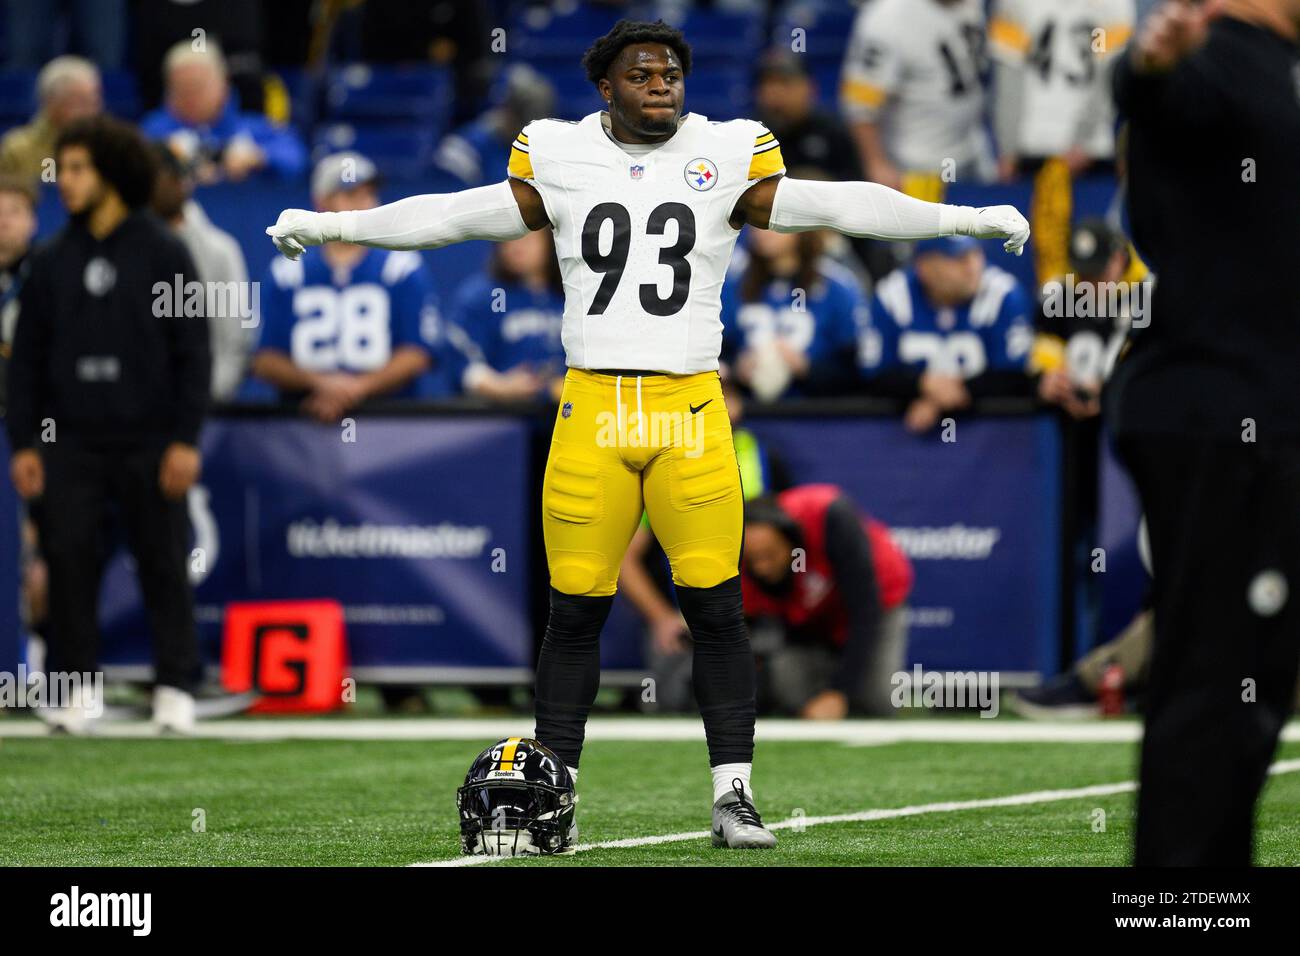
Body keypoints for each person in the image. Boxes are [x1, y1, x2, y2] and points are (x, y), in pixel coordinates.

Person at [266, 18, 1030, 853]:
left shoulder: (729, 149)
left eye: (672, 72)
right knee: (573, 616)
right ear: (605, 86)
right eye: (642, 74)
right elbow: (454, 216)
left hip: (689, 407)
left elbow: (840, 202)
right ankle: (548, 797)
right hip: (591, 406)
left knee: (716, 609)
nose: (662, 84)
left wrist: (961, 217)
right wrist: (336, 227)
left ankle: (733, 796)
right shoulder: (556, 152)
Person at [1106, 0, 1300, 867]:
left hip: (1256, 409)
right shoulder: (1215, 55)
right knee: (1214, 684)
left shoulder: (1273, 68)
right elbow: (1150, 88)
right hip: (1219, 411)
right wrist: (1152, 64)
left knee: (1249, 696)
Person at [5, 116, 211, 734]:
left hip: (150, 439)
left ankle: (175, 687)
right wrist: (24, 441)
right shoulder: (49, 260)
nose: (63, 182)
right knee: (68, 563)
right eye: (61, 170)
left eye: (77, 169)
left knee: (163, 561)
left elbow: (193, 353)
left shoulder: (166, 249)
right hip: (69, 441)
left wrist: (184, 439)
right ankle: (77, 692)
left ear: (112, 174)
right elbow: (27, 364)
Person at [619, 370, 790, 713]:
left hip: (753, 618)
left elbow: (790, 547)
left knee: (777, 692)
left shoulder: (763, 457)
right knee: (670, 702)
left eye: (726, 393)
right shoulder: (660, 462)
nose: (720, 405)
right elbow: (625, 559)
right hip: (685, 620)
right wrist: (661, 617)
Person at [251, 152, 439, 422]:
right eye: (352, 195)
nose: (365, 205)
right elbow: (264, 358)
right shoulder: (287, 272)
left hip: (389, 423)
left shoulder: (401, 267)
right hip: (302, 424)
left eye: (369, 194)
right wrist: (320, 383)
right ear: (321, 203)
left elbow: (418, 353)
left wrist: (357, 387)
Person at [742, 486, 912, 719]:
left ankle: (843, 687)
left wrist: (838, 693)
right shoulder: (739, 560)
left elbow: (865, 612)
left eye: (770, 555)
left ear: (791, 541)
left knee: (878, 701)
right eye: (754, 560)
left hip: (872, 606)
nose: (762, 568)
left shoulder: (829, 515)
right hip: (810, 620)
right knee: (786, 684)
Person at [858, 235, 1035, 432]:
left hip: (991, 436)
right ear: (924, 267)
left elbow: (1015, 374)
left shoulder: (1003, 294)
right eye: (959, 258)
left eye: (976, 254)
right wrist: (922, 384)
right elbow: (873, 374)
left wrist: (947, 396)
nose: (973, 266)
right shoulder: (892, 297)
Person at [841, 0, 992, 200]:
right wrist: (876, 164)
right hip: (918, 168)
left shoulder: (972, 5)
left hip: (975, 152)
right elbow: (859, 104)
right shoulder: (886, 18)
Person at [989, 0, 1136, 182]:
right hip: (1033, 146)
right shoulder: (1015, 4)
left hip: (1094, 152)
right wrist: (1008, 150)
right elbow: (1010, 79)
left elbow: (1107, 75)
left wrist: (1084, 141)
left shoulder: (1111, 5)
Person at [150, 144, 252, 402]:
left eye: (173, 176)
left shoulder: (220, 252)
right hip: (134, 411)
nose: (168, 185)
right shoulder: (122, 249)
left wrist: (204, 397)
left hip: (201, 406)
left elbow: (236, 340)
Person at [722, 224, 869, 400]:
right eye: (756, 222)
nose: (762, 231)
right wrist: (736, 372)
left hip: (819, 415)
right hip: (750, 413)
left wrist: (807, 368)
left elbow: (857, 366)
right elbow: (717, 353)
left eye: (772, 222)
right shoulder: (733, 285)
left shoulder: (838, 287)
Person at [141, 40, 306, 184]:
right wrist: (168, 161)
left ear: (223, 85)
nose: (189, 96)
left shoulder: (253, 128)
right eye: (181, 88)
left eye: (197, 86)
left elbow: (296, 158)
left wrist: (258, 158)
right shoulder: (153, 132)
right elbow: (133, 168)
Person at [443, 228, 565, 403]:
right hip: (504, 417)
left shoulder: (572, 293)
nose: (517, 246)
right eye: (510, 236)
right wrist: (499, 386)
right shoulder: (488, 296)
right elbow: (461, 360)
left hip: (569, 413)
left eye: (528, 238)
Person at [0, 56, 102, 188]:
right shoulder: (17, 150)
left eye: (94, 101)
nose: (92, 111)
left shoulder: (110, 147)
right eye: (81, 103)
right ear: (51, 105)